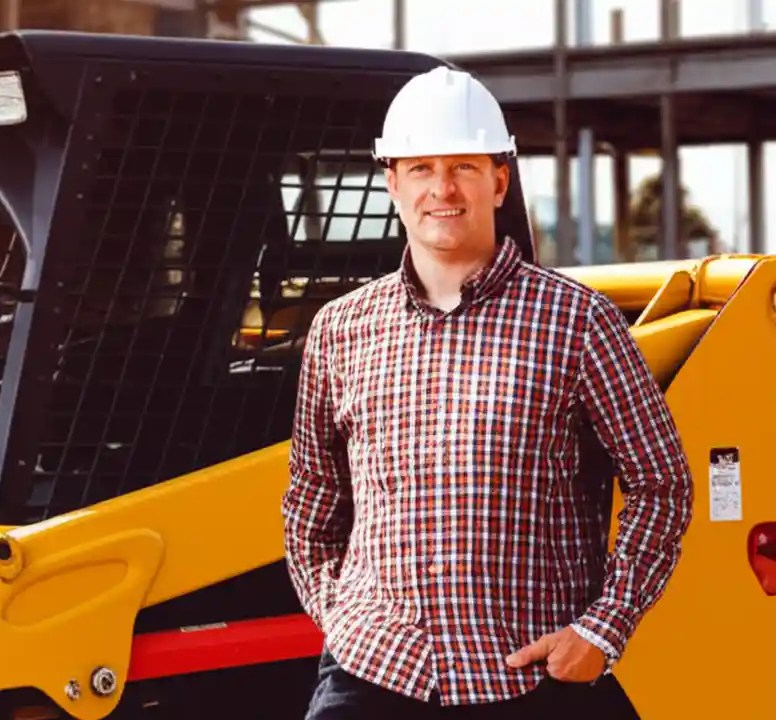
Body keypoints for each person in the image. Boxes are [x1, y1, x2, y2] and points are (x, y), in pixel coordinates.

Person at [281, 65, 693, 719]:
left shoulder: (577, 322)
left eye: (463, 168)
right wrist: (342, 617)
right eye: (421, 168)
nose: (442, 188)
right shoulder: (341, 329)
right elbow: (312, 500)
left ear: (499, 181)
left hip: (528, 677)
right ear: (392, 183)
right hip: (374, 673)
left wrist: (602, 629)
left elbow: (661, 484)